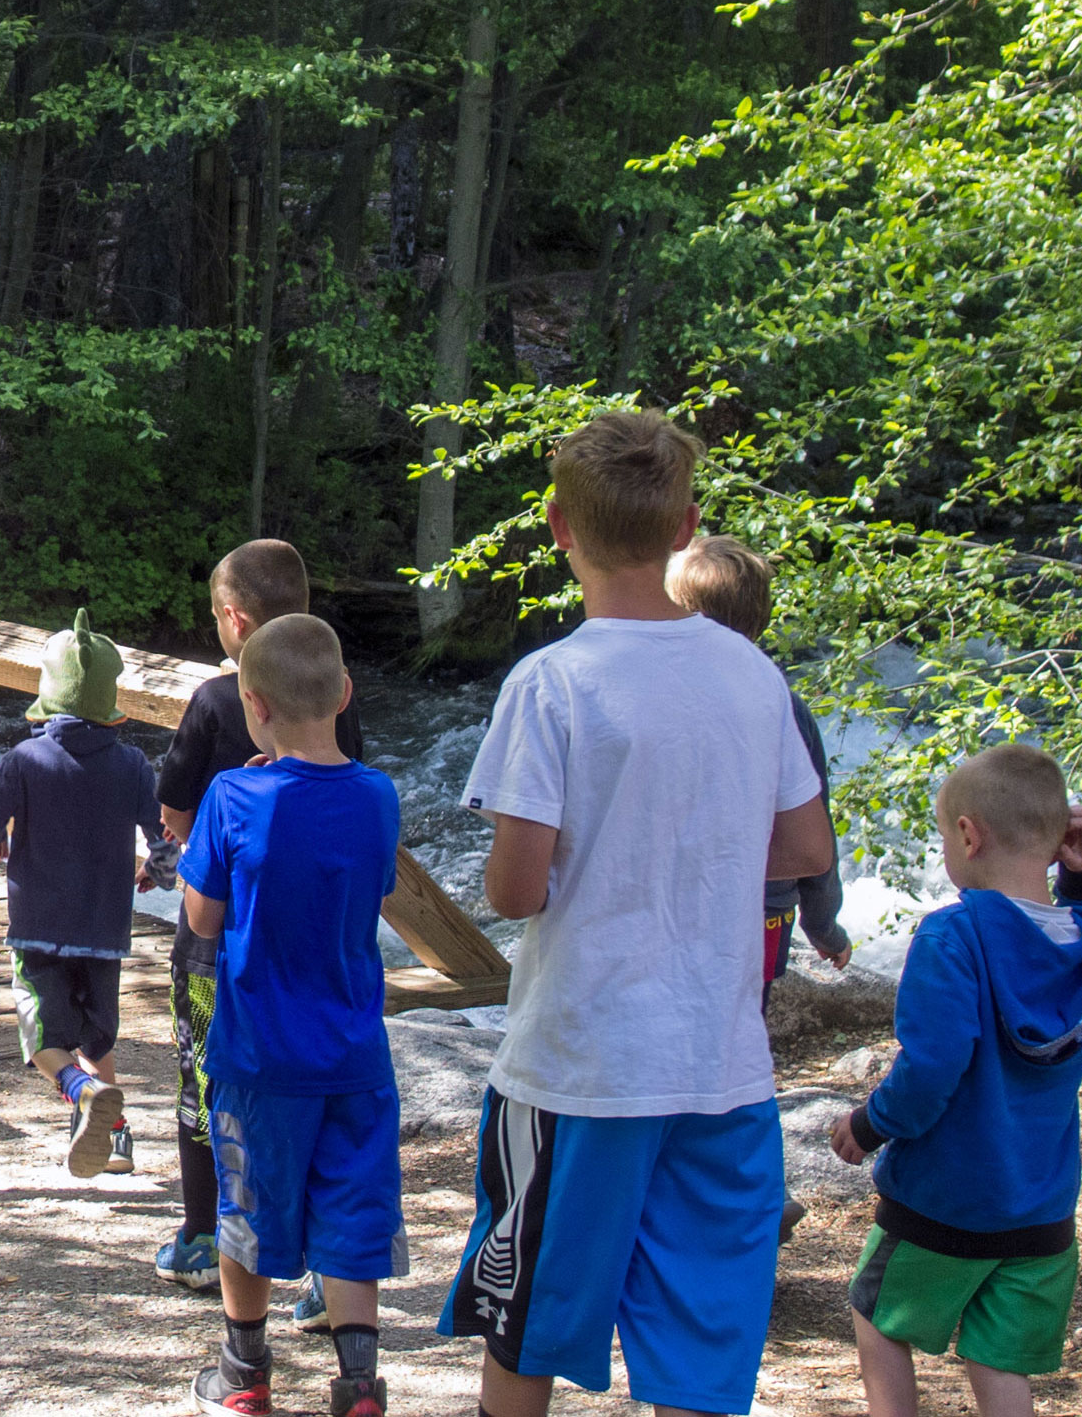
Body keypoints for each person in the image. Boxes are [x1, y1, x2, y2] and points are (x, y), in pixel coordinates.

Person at [441, 410, 837, 1417]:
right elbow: (805, 852)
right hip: (719, 1066)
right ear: (684, 528)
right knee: (702, 1340)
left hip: (582, 1064)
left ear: (557, 527)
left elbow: (515, 891)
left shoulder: (552, 683)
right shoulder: (754, 674)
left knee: (527, 1319)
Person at [828, 745, 1082, 1417]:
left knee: (877, 1317)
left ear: (968, 833)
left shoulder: (952, 936)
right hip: (1043, 1208)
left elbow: (933, 1069)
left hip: (944, 1201)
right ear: (1058, 842)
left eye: (942, 835)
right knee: (999, 1356)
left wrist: (869, 1124)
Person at [177, 614, 404, 1417]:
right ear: (343, 695)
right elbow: (370, 889)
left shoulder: (233, 794)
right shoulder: (380, 796)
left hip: (257, 1055)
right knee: (350, 1209)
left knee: (248, 1206)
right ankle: (358, 1383)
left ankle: (245, 1374)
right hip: (354, 1054)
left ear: (253, 704)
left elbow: (203, 919)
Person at [154, 539, 368, 1294]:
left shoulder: (217, 700)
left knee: (204, 1079)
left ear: (234, 620)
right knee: (316, 1090)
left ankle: (204, 1235)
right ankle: (323, 1267)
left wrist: (204, 845)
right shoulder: (333, 693)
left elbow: (175, 804)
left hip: (221, 941)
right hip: (321, 937)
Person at [666, 532, 854, 1242]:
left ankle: (735, 1194)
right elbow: (814, 832)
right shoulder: (781, 701)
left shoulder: (671, 699)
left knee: (694, 1047)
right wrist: (824, 923)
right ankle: (749, 1193)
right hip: (764, 919)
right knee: (740, 1049)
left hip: (691, 910)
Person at [0, 609, 170, 1178]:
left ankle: (80, 1093)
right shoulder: (132, 764)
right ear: (110, 702)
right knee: (96, 1031)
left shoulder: (26, 759)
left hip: (38, 924)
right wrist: (159, 872)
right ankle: (117, 1135)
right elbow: (163, 838)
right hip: (105, 930)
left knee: (41, 1039)